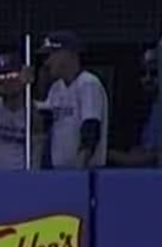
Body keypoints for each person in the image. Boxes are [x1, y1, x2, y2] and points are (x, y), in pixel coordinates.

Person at [35, 31, 108, 170]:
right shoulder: (56, 88)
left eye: (51, 55)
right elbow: (42, 121)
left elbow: (91, 129)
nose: (47, 62)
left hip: (87, 171)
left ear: (68, 54)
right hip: (60, 170)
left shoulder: (88, 83)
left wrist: (80, 173)